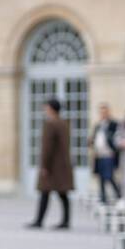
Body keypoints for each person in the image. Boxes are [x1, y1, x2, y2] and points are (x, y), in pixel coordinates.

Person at [26, 98, 73, 229]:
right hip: (62, 164)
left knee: (45, 192)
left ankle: (39, 220)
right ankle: (66, 220)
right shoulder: (64, 123)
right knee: (62, 194)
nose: (45, 110)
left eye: (46, 108)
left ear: (51, 109)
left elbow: (47, 147)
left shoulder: (50, 124)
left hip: (52, 165)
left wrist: (44, 165)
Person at [88, 102, 119, 203]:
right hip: (99, 155)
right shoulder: (98, 126)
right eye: (101, 112)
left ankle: (119, 195)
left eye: (104, 112)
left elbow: (116, 138)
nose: (103, 114)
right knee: (101, 178)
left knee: (109, 176)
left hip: (109, 154)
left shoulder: (114, 124)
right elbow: (96, 139)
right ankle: (103, 197)